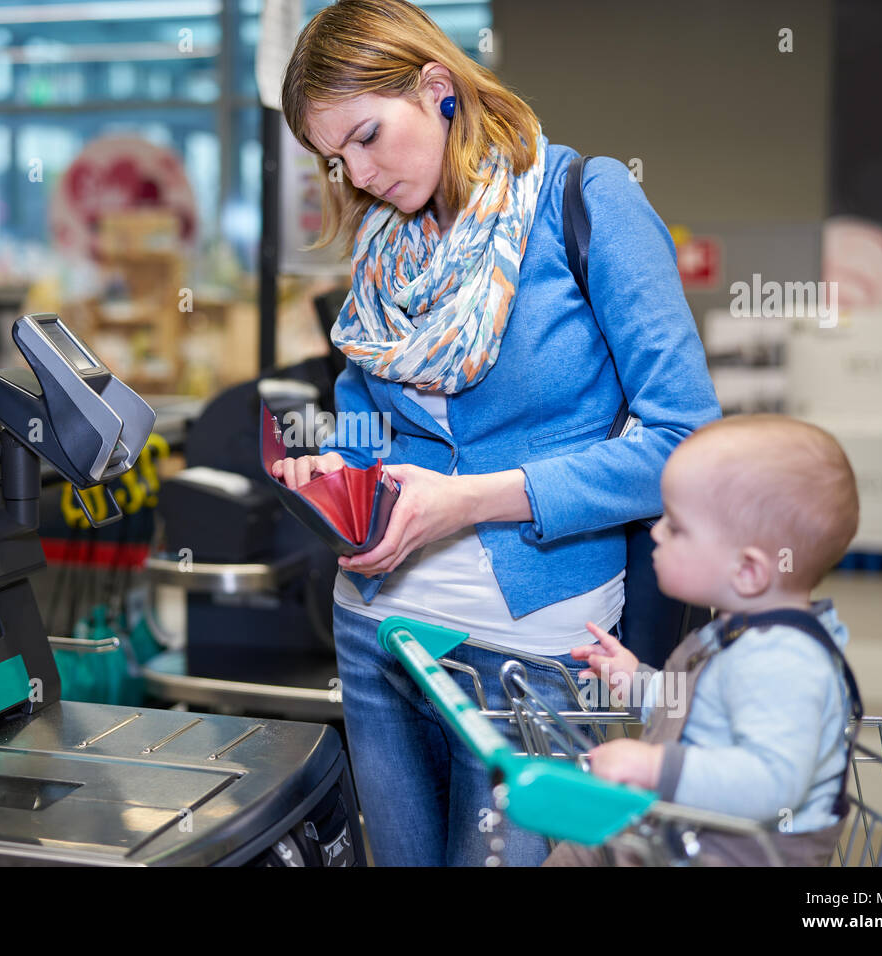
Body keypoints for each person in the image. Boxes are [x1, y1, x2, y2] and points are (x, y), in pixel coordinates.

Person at [275, 0, 722, 866]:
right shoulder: (383, 246)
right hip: (379, 629)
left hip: (535, 650)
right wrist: (346, 471)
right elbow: (365, 400)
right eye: (336, 160)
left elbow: (683, 443)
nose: (358, 176)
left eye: (368, 136)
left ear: (436, 87)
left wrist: (474, 502)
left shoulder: (583, 204)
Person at [548, 415, 862, 866]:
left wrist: (652, 767)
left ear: (748, 571)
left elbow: (773, 784)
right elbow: (701, 709)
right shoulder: (735, 634)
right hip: (688, 835)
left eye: (676, 526)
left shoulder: (783, 659)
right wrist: (635, 681)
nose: (655, 532)